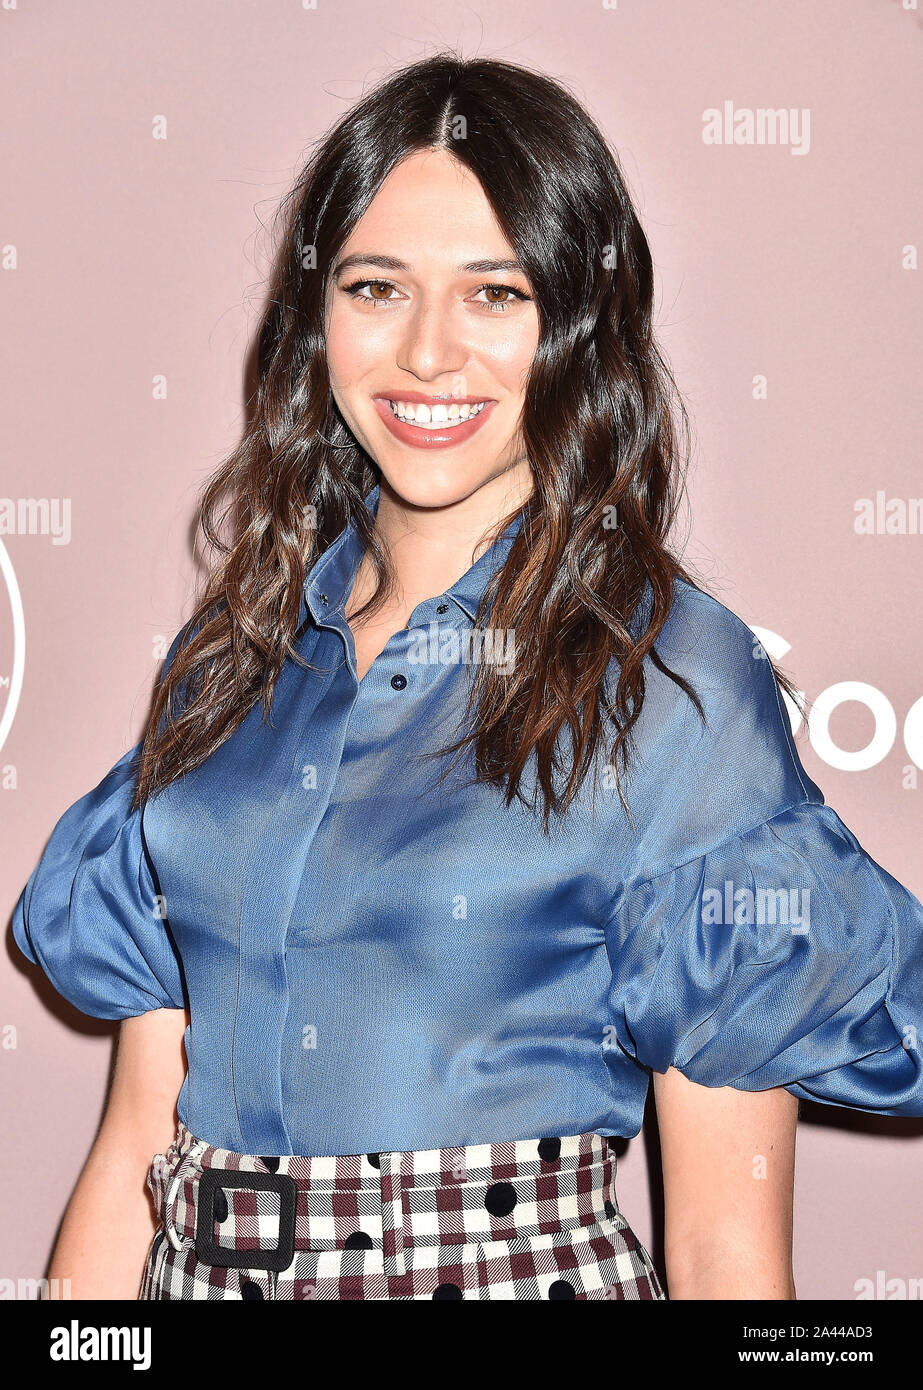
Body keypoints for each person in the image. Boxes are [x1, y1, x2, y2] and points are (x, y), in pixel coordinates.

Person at [12, 54, 923, 1302]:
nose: (427, 353)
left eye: (494, 293)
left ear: (577, 327)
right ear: (315, 316)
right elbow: (133, 1152)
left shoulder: (669, 675)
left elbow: (721, 1248)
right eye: (374, 287)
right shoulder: (224, 661)